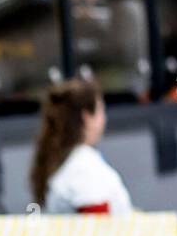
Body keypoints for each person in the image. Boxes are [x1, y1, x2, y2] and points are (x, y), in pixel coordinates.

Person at [30, 78, 133, 215]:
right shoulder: (83, 168)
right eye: (101, 110)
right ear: (87, 118)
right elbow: (96, 226)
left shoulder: (69, 160)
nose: (105, 118)